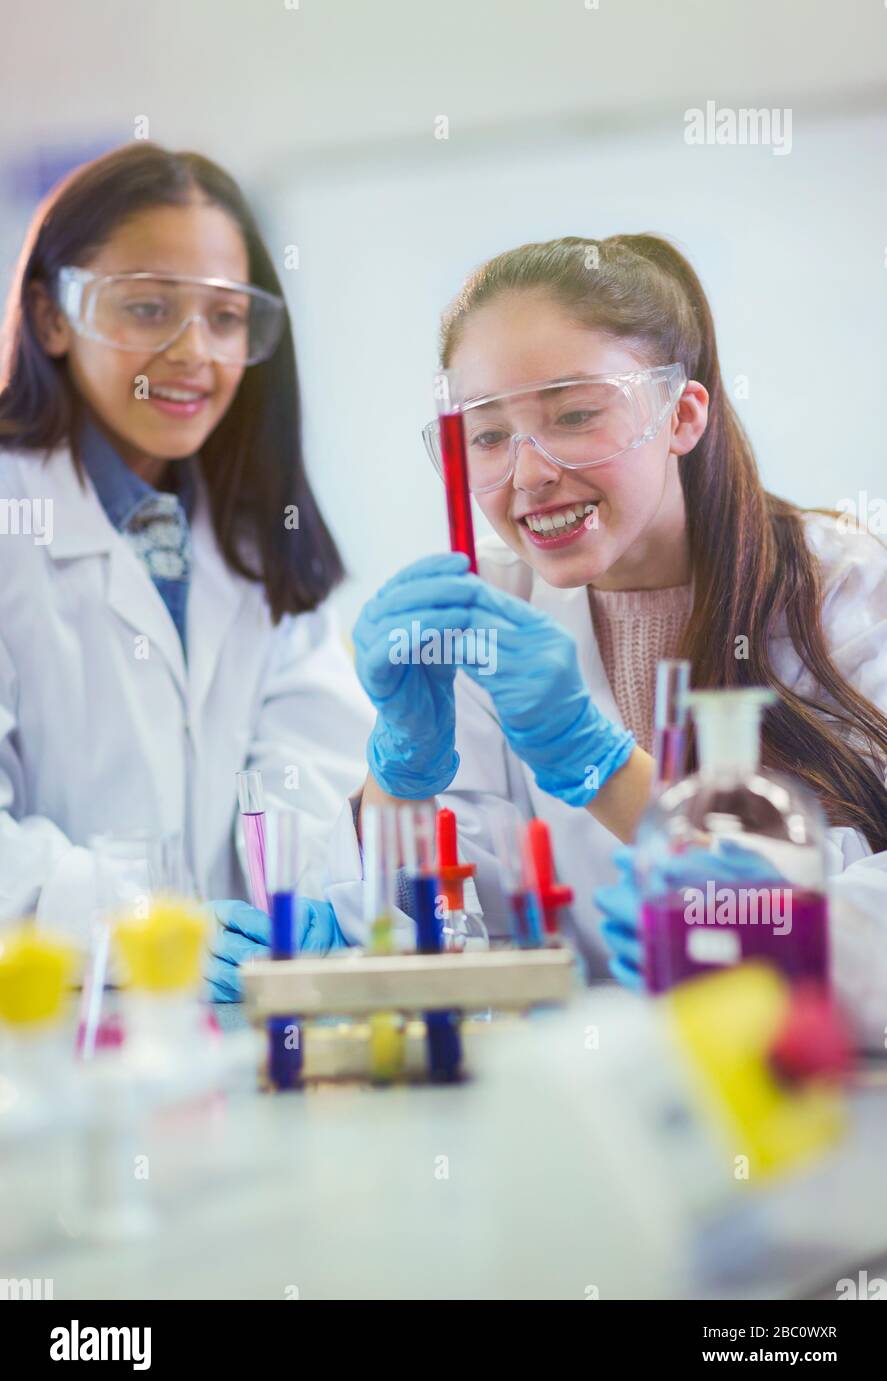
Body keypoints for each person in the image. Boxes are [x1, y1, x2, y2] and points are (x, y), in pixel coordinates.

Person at [334, 234, 887, 1040]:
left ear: (681, 415)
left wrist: (597, 767)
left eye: (576, 415)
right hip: (588, 1109)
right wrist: (401, 777)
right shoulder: (489, 609)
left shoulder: (838, 585)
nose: (528, 475)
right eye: (487, 436)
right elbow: (437, 950)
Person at [0, 143, 372, 996]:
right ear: (52, 318)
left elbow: (309, 766)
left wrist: (301, 899)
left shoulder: (256, 529)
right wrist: (136, 931)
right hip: (44, 1034)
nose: (192, 351)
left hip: (242, 1021)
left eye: (225, 317)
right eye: (146, 308)